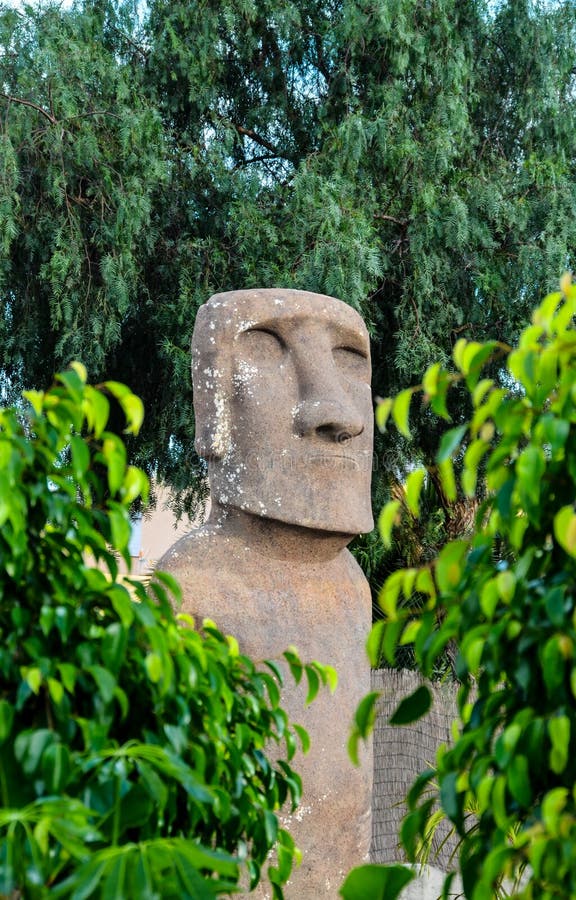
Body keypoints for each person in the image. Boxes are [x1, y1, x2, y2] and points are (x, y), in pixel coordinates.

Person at [160, 288, 374, 897]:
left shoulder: (353, 586)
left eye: (350, 360)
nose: (335, 410)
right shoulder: (194, 588)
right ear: (213, 409)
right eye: (267, 347)